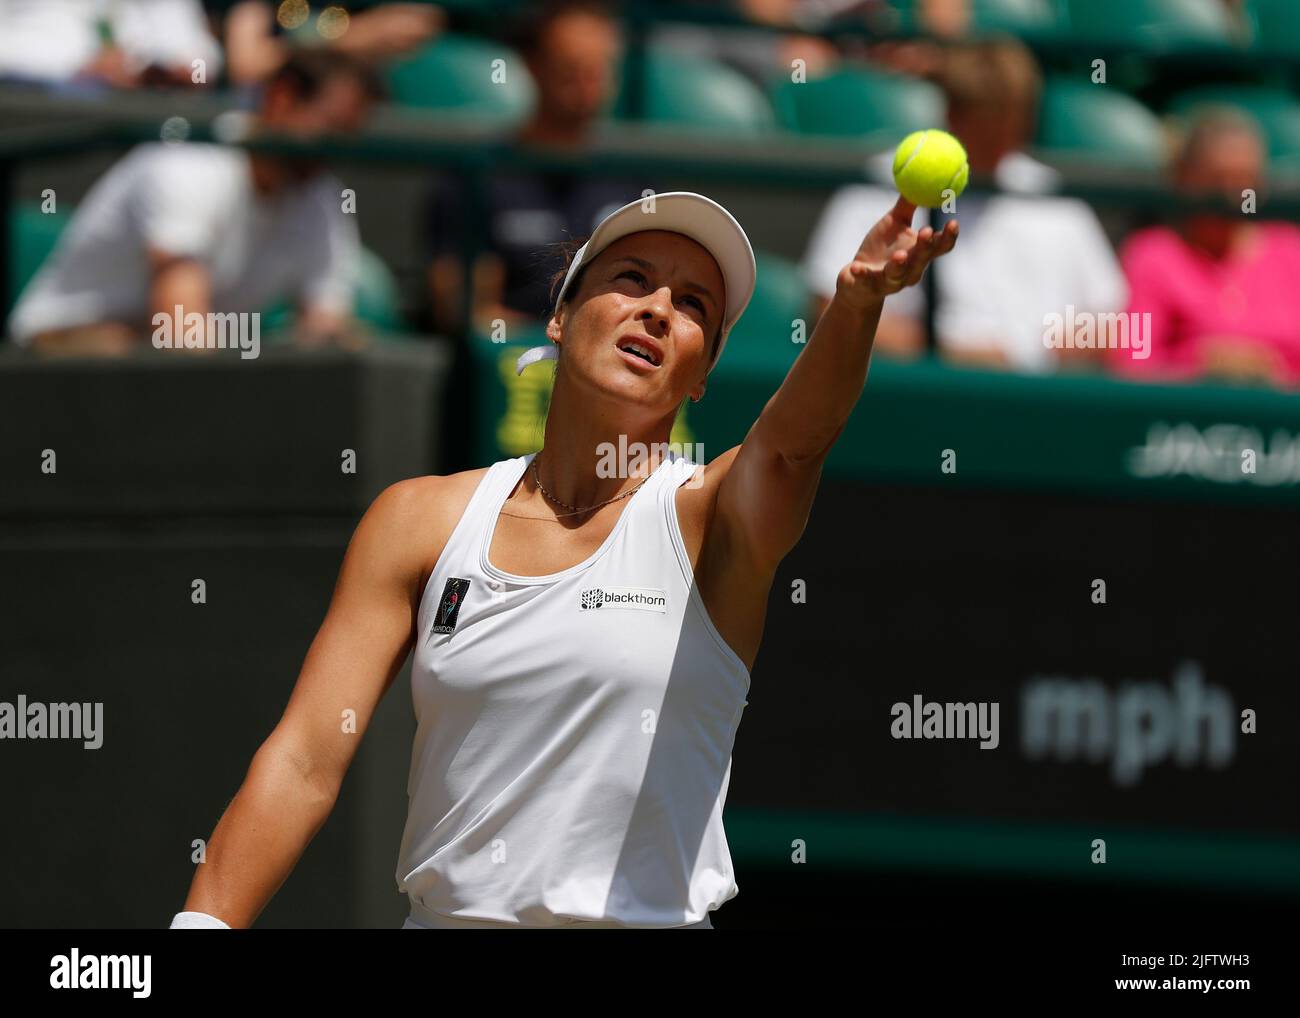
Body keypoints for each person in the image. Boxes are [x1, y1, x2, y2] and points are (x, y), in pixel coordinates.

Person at [168, 188, 958, 929]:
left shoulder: (713, 519)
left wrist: (855, 303)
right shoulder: (417, 520)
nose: (657, 309)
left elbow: (793, 446)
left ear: (703, 374)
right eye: (633, 280)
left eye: (693, 306)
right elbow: (305, 757)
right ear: (560, 316)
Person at [5, 48, 381, 356]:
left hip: (161, 365)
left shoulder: (319, 196)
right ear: (282, 97)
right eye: (332, 126)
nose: (335, 147)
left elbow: (324, 326)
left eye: (349, 133)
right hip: (52, 354)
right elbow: (179, 330)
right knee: (127, 349)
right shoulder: (188, 163)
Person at [801, 36, 1126, 371]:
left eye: (1013, 124)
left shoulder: (1055, 198)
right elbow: (829, 306)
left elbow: (1111, 323)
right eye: (990, 125)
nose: (1003, 140)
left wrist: (1026, 357)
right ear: (953, 112)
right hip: (915, 399)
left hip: (1037, 405)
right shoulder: (879, 187)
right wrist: (942, 357)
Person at [423, 0, 644, 339]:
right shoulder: (476, 178)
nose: (587, 84)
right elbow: (469, 312)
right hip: (514, 369)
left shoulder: (636, 182)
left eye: (599, 69)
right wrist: (562, 344)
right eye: (571, 67)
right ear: (534, 65)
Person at [1106, 106, 1300, 386]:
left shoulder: (1293, 252)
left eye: (1244, 181)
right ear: (1184, 179)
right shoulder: (1152, 255)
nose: (1232, 197)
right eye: (1216, 182)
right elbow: (1131, 361)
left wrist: (1276, 373)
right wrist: (1200, 364)